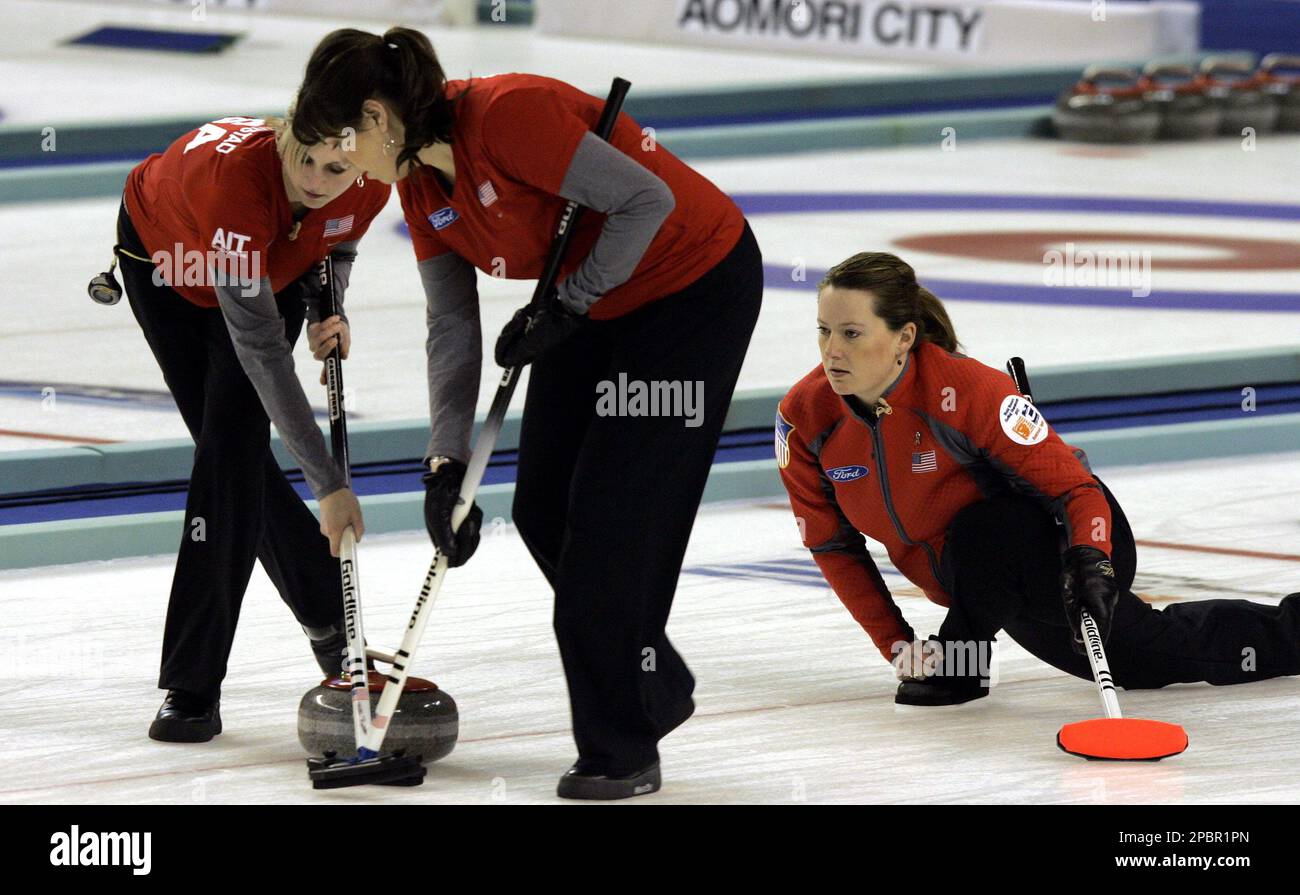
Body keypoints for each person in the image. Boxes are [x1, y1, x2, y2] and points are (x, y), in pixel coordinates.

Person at [291, 27, 764, 799]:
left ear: (377, 119)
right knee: (544, 506)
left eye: (341, 141)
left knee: (611, 517)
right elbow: (452, 325)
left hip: (690, 287)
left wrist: (569, 305)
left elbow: (650, 199)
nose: (340, 166)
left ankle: (621, 746)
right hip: (591, 297)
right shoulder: (418, 186)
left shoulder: (510, 116)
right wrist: (446, 464)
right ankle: (650, 682)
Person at [777, 251, 1300, 705]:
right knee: (1127, 661)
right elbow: (833, 546)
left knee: (1143, 646)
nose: (832, 351)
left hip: (1067, 541)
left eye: (851, 333)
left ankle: (962, 658)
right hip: (984, 584)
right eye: (823, 331)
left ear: (903, 337)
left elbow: (1073, 490)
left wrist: (1090, 561)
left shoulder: (969, 391)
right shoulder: (804, 416)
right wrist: (896, 644)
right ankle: (961, 654)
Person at [115, 114, 391, 742]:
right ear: (285, 144)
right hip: (166, 265)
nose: (320, 182)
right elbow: (261, 348)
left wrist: (332, 307)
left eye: (337, 168)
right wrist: (328, 486)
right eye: (307, 164)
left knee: (229, 456)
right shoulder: (236, 185)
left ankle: (193, 685)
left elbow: (337, 243)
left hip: (277, 267)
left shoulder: (372, 181)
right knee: (230, 454)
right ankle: (317, 622)